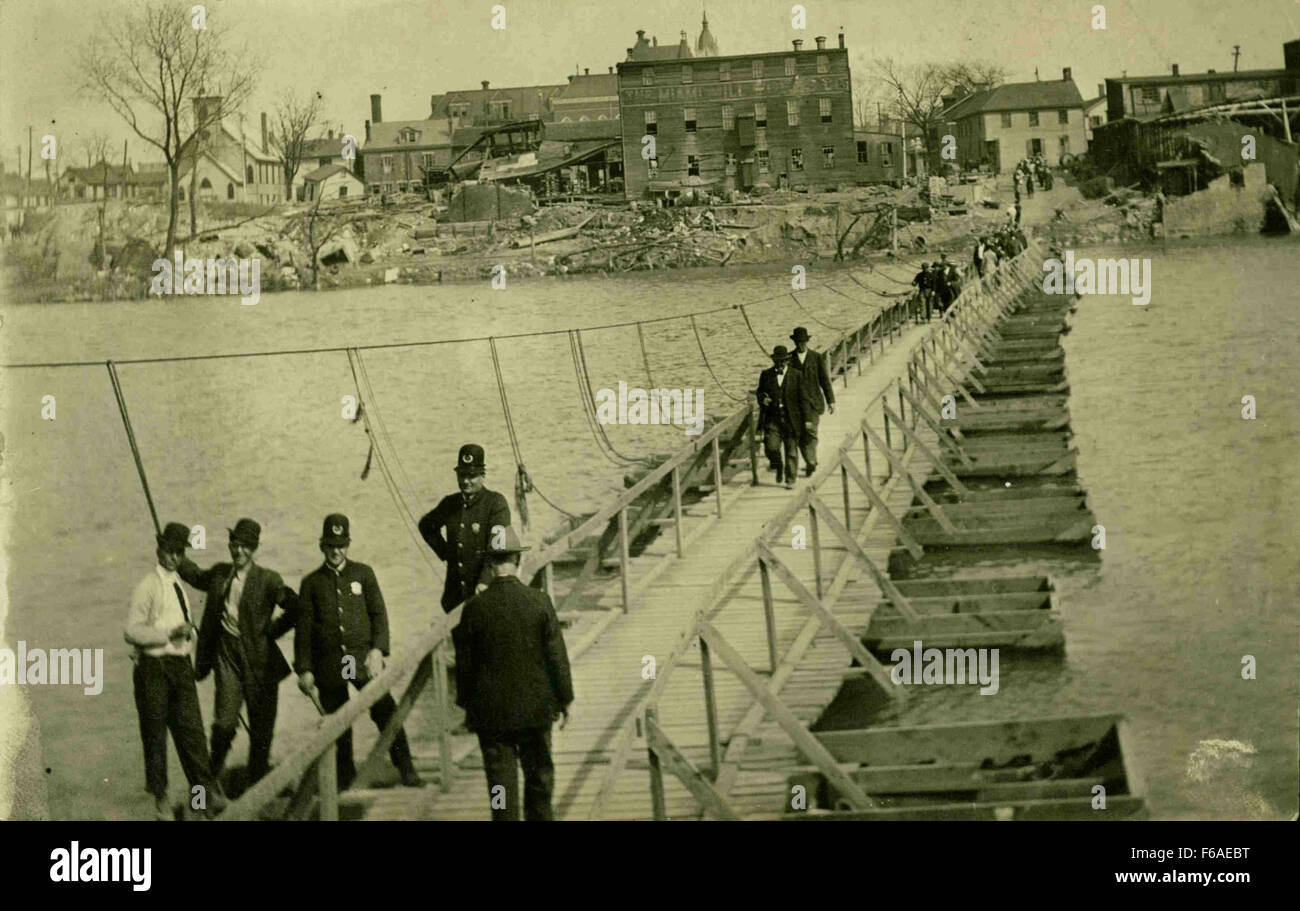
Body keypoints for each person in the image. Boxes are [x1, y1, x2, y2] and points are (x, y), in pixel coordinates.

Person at [295, 514, 423, 790]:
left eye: (340, 545)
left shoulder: (363, 573)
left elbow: (379, 615)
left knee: (386, 711)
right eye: (330, 545)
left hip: (361, 660)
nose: (336, 550)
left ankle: (407, 768)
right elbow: (303, 632)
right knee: (339, 724)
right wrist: (304, 669)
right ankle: (345, 780)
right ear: (321, 546)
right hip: (329, 664)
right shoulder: (311, 583)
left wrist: (377, 650)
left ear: (348, 544)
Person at [457, 526, 573, 821]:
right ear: (518, 561)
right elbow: (557, 657)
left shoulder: (474, 609)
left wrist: (468, 707)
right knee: (539, 778)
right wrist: (565, 699)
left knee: (500, 787)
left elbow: (465, 668)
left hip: (492, 716)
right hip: (536, 710)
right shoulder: (540, 601)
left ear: (490, 563)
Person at [179, 518, 299, 785]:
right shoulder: (221, 574)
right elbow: (196, 575)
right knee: (224, 722)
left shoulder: (268, 579)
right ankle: (210, 778)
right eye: (235, 544)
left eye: (245, 546)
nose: (238, 551)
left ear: (253, 548)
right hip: (227, 656)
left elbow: (296, 607)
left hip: (261, 662)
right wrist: (177, 553)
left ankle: (258, 783)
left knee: (261, 728)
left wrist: (271, 632)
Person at [125, 522, 227, 820]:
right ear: (159, 549)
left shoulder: (178, 583)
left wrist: (186, 637)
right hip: (154, 669)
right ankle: (161, 802)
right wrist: (168, 634)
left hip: (180, 667)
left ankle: (202, 799)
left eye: (179, 552)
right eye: (169, 551)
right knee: (155, 736)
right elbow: (131, 630)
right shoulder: (147, 585)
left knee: (192, 735)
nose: (173, 557)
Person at [418, 444, 512, 616]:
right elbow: (426, 526)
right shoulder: (450, 503)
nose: (466, 481)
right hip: (455, 598)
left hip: (486, 594)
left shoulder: (496, 503)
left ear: (483, 476)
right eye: (462, 475)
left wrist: (485, 581)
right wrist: (446, 553)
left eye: (472, 476)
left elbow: (498, 547)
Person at [786, 327, 835, 478]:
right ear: (794, 342)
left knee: (811, 431)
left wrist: (831, 401)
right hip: (796, 405)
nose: (800, 345)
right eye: (798, 342)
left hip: (814, 402)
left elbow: (824, 380)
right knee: (800, 434)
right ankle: (809, 460)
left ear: (807, 341)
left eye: (803, 342)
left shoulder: (816, 357)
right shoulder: (789, 359)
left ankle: (811, 460)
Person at [755, 345, 804, 488]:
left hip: (791, 420)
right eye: (777, 361)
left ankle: (790, 479)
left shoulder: (797, 375)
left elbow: (803, 399)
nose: (780, 364)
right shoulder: (766, 375)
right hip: (772, 419)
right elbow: (760, 393)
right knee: (771, 448)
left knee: (791, 451)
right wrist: (762, 399)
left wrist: (806, 420)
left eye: (783, 361)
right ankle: (778, 465)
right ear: (774, 361)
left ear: (787, 361)